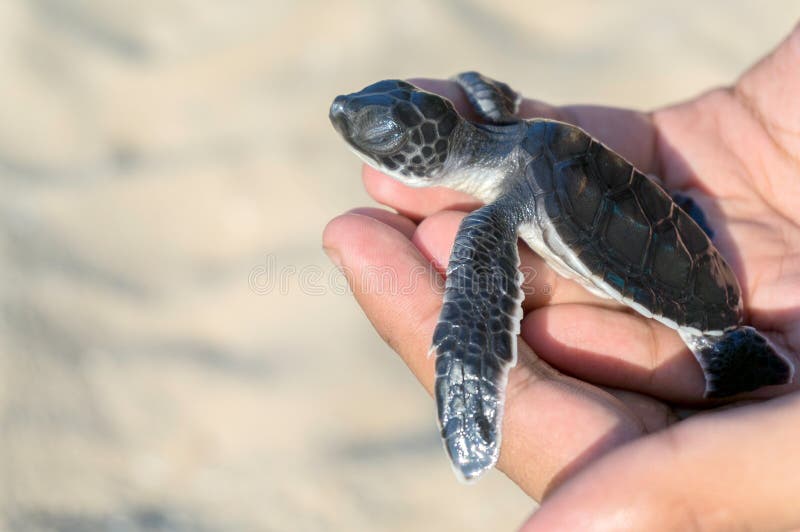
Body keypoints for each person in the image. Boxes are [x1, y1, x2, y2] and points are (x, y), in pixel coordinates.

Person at [323, 24, 800, 530]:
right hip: (680, 231)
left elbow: (474, 318)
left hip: (690, 294)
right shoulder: (522, 126)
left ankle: (724, 348)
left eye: (379, 139)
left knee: (471, 267)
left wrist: (471, 386)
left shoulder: (491, 215)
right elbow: (492, 96)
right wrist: (481, 88)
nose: (343, 111)